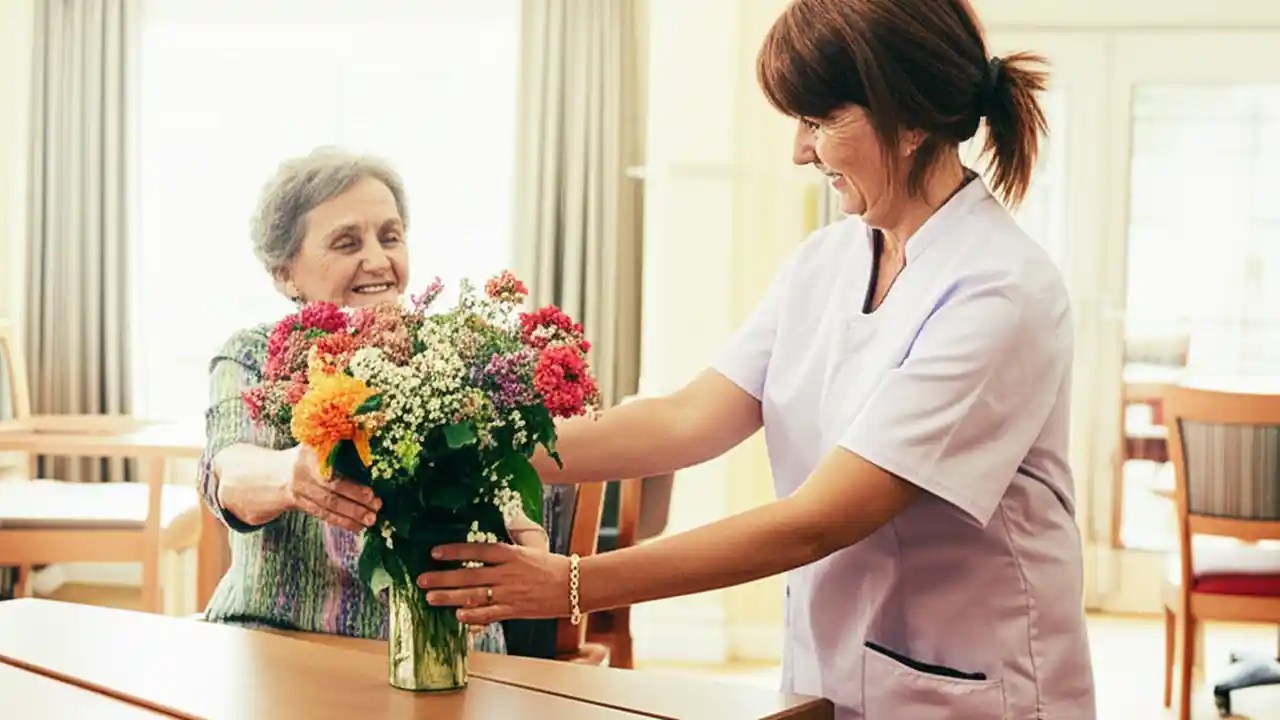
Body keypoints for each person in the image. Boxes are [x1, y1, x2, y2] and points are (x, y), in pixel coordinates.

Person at [418, 0, 1096, 717]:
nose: (800, 152)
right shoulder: (827, 261)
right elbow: (687, 420)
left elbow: (819, 519)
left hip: (973, 685)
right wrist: (477, 450)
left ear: (913, 119)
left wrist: (575, 583)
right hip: (834, 668)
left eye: (819, 121)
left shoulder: (1000, 291)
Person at [198, 148, 543, 649]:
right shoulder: (250, 357)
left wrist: (515, 522)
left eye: (390, 236)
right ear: (284, 272)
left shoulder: (451, 357)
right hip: (280, 649)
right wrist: (291, 475)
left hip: (434, 658)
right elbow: (230, 474)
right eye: (345, 242)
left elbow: (512, 508)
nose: (379, 260)